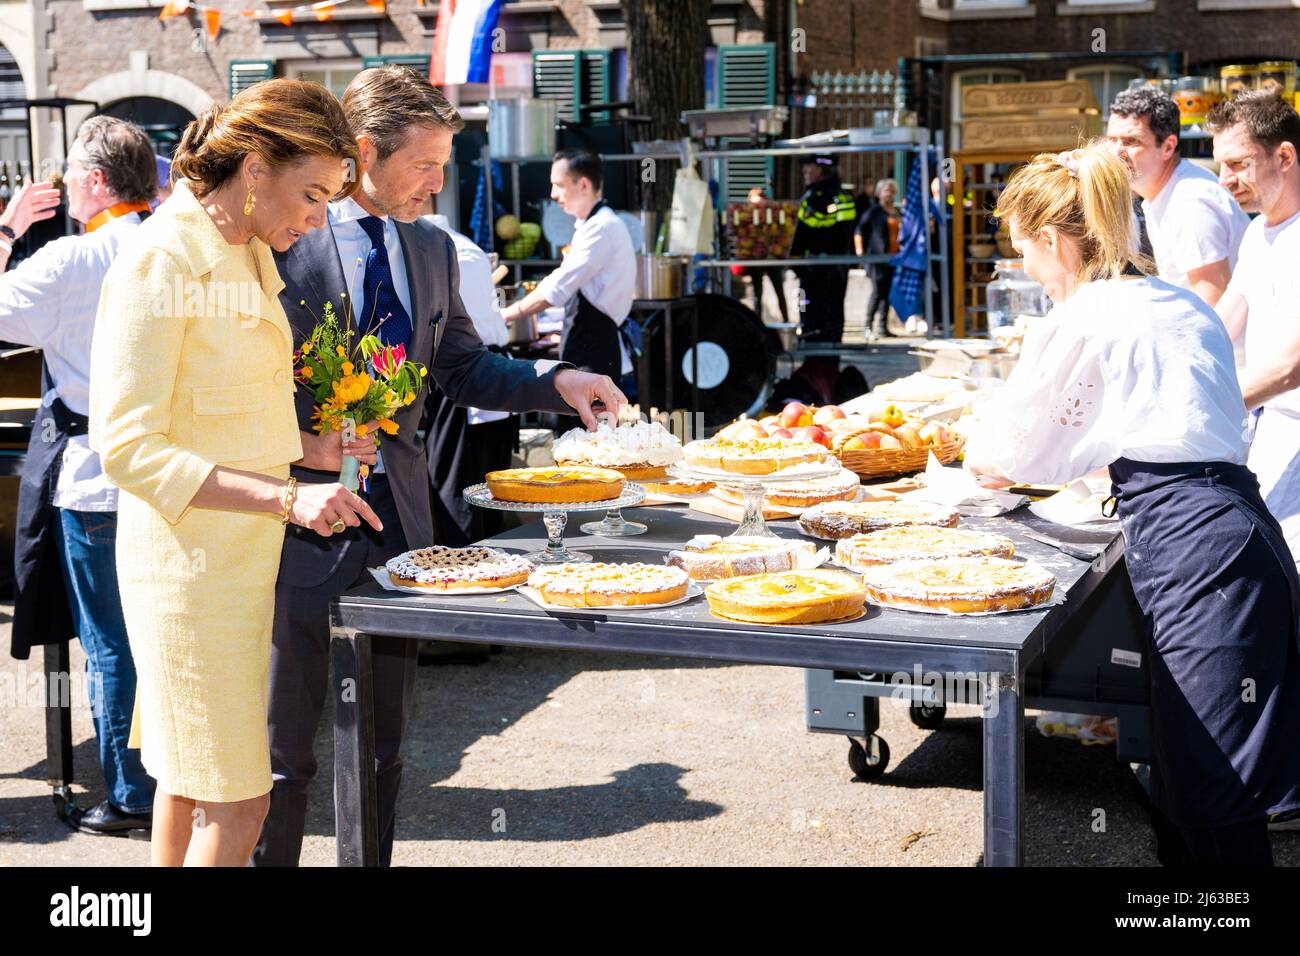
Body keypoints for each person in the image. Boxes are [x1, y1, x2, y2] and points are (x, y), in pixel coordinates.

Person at [253, 67, 625, 868]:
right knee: (279, 754)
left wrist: (555, 383)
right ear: (361, 153)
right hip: (288, 525)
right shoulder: (277, 240)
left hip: (401, 531)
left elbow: (460, 366)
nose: (437, 182)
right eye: (424, 163)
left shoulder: (429, 248)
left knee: (385, 745)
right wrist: (302, 446)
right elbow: (233, 380)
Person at [964, 144, 1300, 867]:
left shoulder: (1086, 314)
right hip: (1235, 529)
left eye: (1025, 249)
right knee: (1190, 773)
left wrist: (975, 458)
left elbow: (1013, 453)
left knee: (1216, 789)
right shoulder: (1175, 299)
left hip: (1195, 546)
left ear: (1053, 240)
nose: (1026, 266)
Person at [89, 79, 382, 867]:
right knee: (242, 795)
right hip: (190, 572)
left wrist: (313, 451)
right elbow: (126, 446)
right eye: (312, 193)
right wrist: (290, 497)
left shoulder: (247, 247)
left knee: (189, 780)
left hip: (238, 563)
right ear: (255, 168)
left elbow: (220, 409)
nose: (318, 218)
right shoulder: (160, 259)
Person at [1, 117, 158, 836]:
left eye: (69, 171)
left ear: (96, 182)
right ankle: (182, 776)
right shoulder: (182, 245)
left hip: (99, 478)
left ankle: (132, 793)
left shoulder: (70, 260)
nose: (61, 184)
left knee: (110, 646)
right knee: (171, 633)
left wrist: (6, 233)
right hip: (182, 474)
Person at [1211, 92, 1300, 568]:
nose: (1225, 180)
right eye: (1220, 165)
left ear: (1284, 156)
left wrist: (1204, 405)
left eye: (1238, 164)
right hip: (1270, 429)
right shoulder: (1258, 230)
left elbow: (1291, 367)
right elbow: (1221, 325)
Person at [501, 148, 637, 391]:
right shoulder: (591, 225)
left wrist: (506, 315)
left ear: (583, 184)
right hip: (586, 347)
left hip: (593, 353)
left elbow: (558, 287)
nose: (553, 194)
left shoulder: (601, 228)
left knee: (588, 427)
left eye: (559, 185)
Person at [424, 207, 519, 545]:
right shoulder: (467, 248)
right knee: (491, 486)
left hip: (464, 375)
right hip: (488, 375)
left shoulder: (438, 250)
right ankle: (492, 555)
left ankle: (463, 559)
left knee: (457, 487)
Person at [1106, 86, 1249, 306]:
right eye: (1111, 140)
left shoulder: (1190, 203)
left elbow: (1213, 301)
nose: (1116, 153)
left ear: (1168, 147)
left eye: (1130, 141)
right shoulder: (1168, 189)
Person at [789, 153, 857, 345]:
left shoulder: (814, 199)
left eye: (808, 167)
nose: (804, 171)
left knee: (809, 315)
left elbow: (802, 234)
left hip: (814, 270)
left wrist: (794, 261)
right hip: (838, 268)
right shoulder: (844, 196)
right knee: (835, 316)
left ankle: (813, 363)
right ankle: (831, 362)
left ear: (820, 171)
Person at [854, 178, 900, 338]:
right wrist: (860, 251)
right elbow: (859, 230)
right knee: (877, 292)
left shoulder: (896, 212)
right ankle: (868, 326)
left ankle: (883, 326)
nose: (889, 195)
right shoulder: (873, 212)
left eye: (892, 191)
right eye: (886, 191)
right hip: (876, 259)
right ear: (879, 193)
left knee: (887, 293)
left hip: (893, 258)